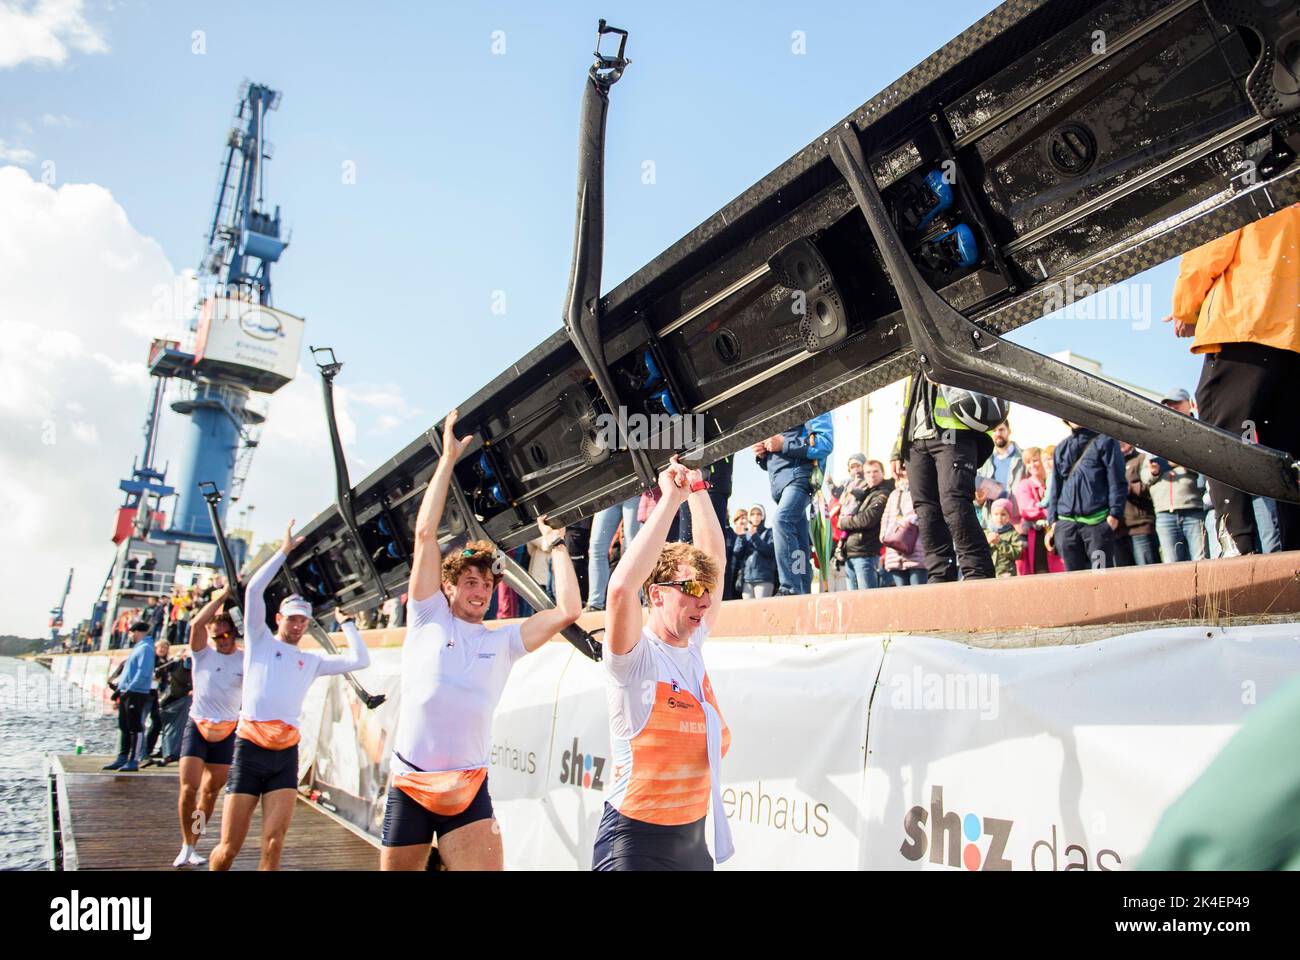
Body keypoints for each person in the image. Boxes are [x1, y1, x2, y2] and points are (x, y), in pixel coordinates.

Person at [381, 411, 582, 871]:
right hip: (411, 786)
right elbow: (425, 534)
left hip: (468, 790)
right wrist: (448, 460)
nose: (480, 591)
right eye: (470, 582)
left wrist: (555, 546)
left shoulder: (505, 640)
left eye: (487, 585)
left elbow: (568, 610)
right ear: (448, 587)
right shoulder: (428, 616)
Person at [594, 454, 730, 870]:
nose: (704, 599)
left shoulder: (693, 642)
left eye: (706, 590)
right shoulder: (635, 660)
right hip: (635, 844)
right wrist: (670, 499)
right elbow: (619, 590)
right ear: (656, 595)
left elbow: (716, 562)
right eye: (691, 587)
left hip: (692, 842)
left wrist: (698, 488)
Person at [208, 521, 370, 872]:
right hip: (249, 751)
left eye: (303, 622)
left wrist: (347, 624)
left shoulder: (310, 661)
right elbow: (252, 593)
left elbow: (360, 659)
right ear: (278, 618)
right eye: (292, 619)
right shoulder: (260, 642)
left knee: (273, 843)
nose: (297, 626)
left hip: (284, 756)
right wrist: (283, 551)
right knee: (229, 847)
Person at [1164, 202, 1300, 555]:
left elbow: (1209, 243)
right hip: (1293, 334)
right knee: (1288, 448)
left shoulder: (1246, 181)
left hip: (1247, 319)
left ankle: (1237, 543)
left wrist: (1186, 308)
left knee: (1216, 434)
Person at [891, 374, 995, 582]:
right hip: (915, 441)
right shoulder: (910, 362)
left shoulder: (948, 346)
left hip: (954, 432)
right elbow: (907, 408)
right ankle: (940, 574)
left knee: (954, 503)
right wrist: (897, 449)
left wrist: (946, 376)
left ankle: (978, 571)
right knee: (925, 510)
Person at [173, 586, 242, 868]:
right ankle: (185, 844)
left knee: (210, 793)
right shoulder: (203, 653)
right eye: (217, 637)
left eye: (227, 635)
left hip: (226, 731)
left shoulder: (244, 658)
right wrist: (224, 595)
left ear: (234, 634)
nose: (223, 641)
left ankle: (195, 842)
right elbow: (196, 623)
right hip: (198, 725)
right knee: (188, 789)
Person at [753, 413, 834, 595]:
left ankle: (790, 588)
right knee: (798, 537)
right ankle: (802, 587)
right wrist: (763, 454)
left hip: (800, 477)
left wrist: (783, 444)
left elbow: (825, 443)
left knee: (782, 521)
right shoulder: (775, 406)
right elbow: (777, 455)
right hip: (781, 485)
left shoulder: (811, 399)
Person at [1046, 422, 1126, 571]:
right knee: (1073, 580)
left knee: (1101, 576)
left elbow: (1117, 480)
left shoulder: (1106, 441)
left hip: (1098, 525)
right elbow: (1055, 488)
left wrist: (1114, 515)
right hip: (1066, 526)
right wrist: (1053, 520)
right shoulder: (1062, 447)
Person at [1143, 390, 1209, 563]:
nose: (1172, 408)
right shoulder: (1154, 435)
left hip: (1194, 509)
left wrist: (1181, 461)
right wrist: (1153, 472)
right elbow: (1144, 474)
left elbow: (1209, 466)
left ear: (1190, 403)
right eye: (1168, 405)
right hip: (1164, 513)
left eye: (1177, 403)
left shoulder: (1200, 432)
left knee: (1200, 561)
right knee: (1171, 565)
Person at [103, 621, 155, 771]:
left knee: (135, 727)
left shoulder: (145, 648)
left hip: (136, 692)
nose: (130, 636)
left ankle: (134, 760)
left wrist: (131, 688)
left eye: (131, 633)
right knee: (124, 726)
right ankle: (122, 757)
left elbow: (143, 672)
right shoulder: (138, 648)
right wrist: (119, 689)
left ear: (137, 632)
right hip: (127, 691)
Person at [838, 458, 894, 590]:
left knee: (867, 600)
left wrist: (844, 522)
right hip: (851, 553)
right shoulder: (865, 494)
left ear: (882, 473)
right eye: (868, 472)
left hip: (866, 553)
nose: (872, 475)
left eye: (875, 471)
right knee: (852, 602)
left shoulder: (882, 493)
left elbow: (867, 519)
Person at [1012, 446, 1064, 575]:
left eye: (1035, 460)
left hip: (1056, 533)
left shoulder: (1054, 481)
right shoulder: (1025, 484)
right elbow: (1027, 510)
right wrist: (1052, 512)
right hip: (1035, 537)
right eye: (1028, 462)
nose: (1032, 465)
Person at [586, 496, 641, 612]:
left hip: (634, 489)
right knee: (596, 546)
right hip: (607, 490)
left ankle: (635, 599)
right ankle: (595, 603)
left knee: (632, 549)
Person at [879, 464, 928, 586]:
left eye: (905, 468)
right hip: (895, 550)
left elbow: (927, 513)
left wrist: (910, 520)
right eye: (901, 468)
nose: (902, 471)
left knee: (917, 593)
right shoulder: (894, 494)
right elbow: (886, 516)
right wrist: (884, 535)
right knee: (901, 594)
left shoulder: (923, 489)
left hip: (917, 550)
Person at [1115, 441, 1159, 566]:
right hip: (1119, 529)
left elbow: (1150, 485)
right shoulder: (1112, 462)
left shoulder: (1141, 458)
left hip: (1140, 526)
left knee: (1147, 574)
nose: (1120, 442)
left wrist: (1128, 488)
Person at [153, 647, 192, 766]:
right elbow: (158, 672)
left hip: (180, 698)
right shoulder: (174, 664)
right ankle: (168, 753)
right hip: (171, 698)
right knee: (169, 729)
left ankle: (170, 754)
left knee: (175, 729)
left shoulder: (186, 664)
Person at [733, 504, 776, 599]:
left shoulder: (769, 532)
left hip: (764, 579)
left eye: (758, 514)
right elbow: (737, 554)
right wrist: (740, 538)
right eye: (752, 514)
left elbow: (769, 552)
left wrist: (754, 536)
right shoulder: (745, 534)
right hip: (747, 580)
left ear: (763, 516)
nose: (755, 516)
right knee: (747, 611)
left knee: (762, 611)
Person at [977, 419, 1025, 501]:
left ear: (1009, 431)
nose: (998, 434)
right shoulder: (984, 460)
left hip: (1016, 511)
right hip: (991, 512)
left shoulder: (1023, 458)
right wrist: (979, 500)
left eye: (1001, 430)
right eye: (994, 431)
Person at [985, 498, 1024, 578]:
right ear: (991, 515)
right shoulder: (986, 533)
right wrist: (987, 542)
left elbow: (1017, 554)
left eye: (1003, 514)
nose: (999, 517)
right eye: (996, 514)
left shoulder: (1013, 534)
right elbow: (978, 551)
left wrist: (999, 542)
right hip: (988, 573)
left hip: (1006, 573)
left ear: (1009, 517)